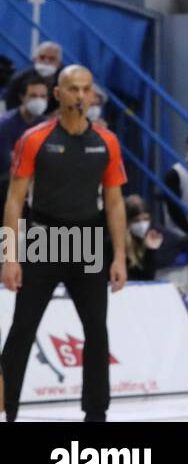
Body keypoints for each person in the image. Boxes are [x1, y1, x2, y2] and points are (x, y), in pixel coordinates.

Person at [2, 66, 128, 422]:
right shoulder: (34, 138)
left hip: (88, 240)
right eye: (72, 89)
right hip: (44, 238)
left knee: (96, 330)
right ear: (57, 94)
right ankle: (5, 409)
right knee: (23, 328)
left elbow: (115, 202)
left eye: (85, 89)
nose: (79, 96)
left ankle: (96, 413)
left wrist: (119, 256)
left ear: (92, 95)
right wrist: (9, 257)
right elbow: (14, 201)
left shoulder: (107, 141)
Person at [0, 75, 49, 195]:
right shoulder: (5, 124)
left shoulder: (46, 124)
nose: (39, 100)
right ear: (22, 97)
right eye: (33, 96)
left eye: (43, 96)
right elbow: (8, 165)